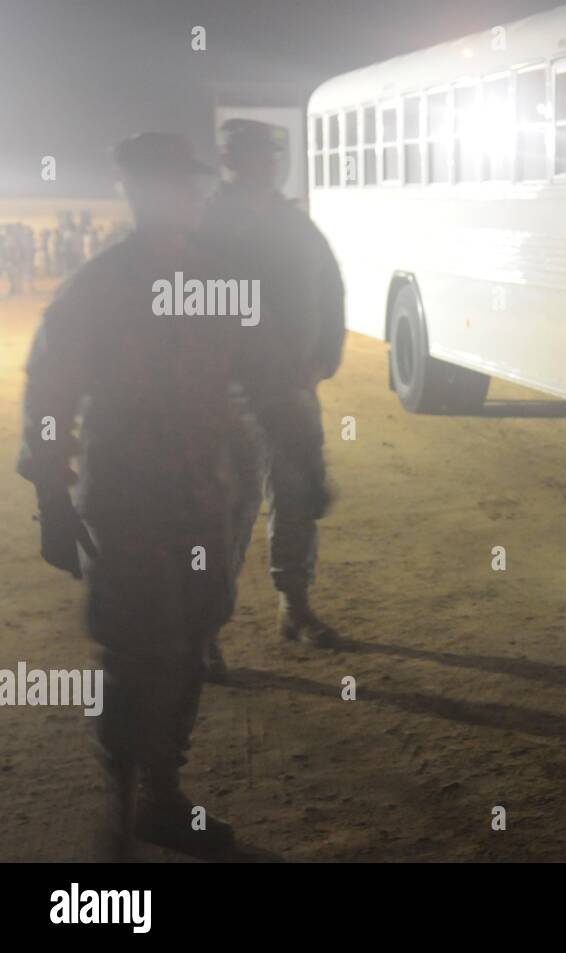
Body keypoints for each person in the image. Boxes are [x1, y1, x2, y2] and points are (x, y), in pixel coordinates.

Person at [17, 132, 325, 859]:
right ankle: (119, 819)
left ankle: (162, 795)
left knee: (190, 636)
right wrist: (54, 500)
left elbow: (268, 376)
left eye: (186, 186)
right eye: (166, 186)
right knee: (131, 651)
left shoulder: (217, 283)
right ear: (137, 194)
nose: (181, 198)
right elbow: (51, 398)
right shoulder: (98, 287)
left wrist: (303, 459)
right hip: (127, 500)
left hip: (197, 498)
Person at [200, 118, 346, 677]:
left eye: (265, 155)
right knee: (228, 512)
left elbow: (330, 289)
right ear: (230, 161)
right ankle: (206, 630)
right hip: (229, 393)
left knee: (297, 498)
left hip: (292, 385)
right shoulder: (208, 225)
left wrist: (322, 357)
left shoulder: (294, 224)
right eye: (247, 156)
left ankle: (295, 605)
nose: (259, 164)